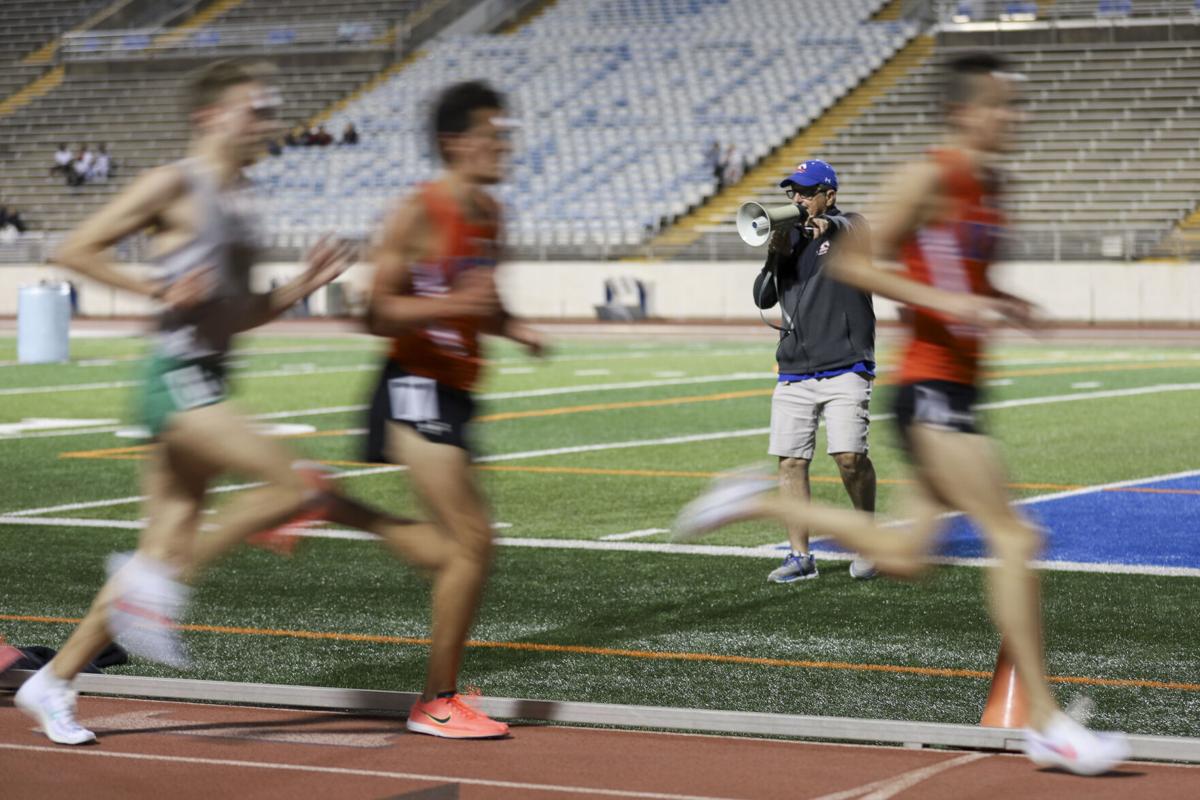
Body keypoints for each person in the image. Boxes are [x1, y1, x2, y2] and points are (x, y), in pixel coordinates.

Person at [675, 52, 1130, 776]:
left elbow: (962, 274)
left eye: (1016, 105)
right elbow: (856, 263)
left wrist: (1003, 301)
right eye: (1000, 105)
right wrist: (949, 302)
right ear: (964, 112)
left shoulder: (993, 185)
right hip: (930, 390)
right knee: (1015, 536)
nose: (1013, 117)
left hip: (961, 391)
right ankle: (1045, 723)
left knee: (905, 557)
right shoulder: (929, 175)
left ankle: (757, 501)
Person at [12, 60, 428, 747]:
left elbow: (234, 315)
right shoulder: (174, 183)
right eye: (253, 110)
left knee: (161, 552)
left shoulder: (242, 201)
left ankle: (53, 679)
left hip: (208, 378)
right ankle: (152, 596)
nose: (267, 121)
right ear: (210, 116)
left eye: (269, 111)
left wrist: (299, 288)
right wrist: (155, 289)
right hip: (175, 378)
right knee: (297, 486)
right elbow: (74, 248)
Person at [365, 80, 545, 739]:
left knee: (454, 548)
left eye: (505, 134)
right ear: (455, 143)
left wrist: (513, 328)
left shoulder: (491, 215)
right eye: (492, 135)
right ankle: (436, 701)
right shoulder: (417, 212)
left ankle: (326, 503)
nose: (504, 146)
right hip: (413, 382)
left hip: (457, 390)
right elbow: (374, 312)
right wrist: (455, 306)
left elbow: (482, 305)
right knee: (473, 541)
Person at [752, 159, 877, 583]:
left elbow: (852, 227)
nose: (798, 198)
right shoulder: (788, 240)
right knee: (790, 462)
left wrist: (830, 226)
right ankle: (800, 556)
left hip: (845, 363)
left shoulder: (850, 227)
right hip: (794, 369)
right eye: (793, 192)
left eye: (806, 192)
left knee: (850, 458)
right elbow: (762, 298)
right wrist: (774, 255)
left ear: (829, 195)